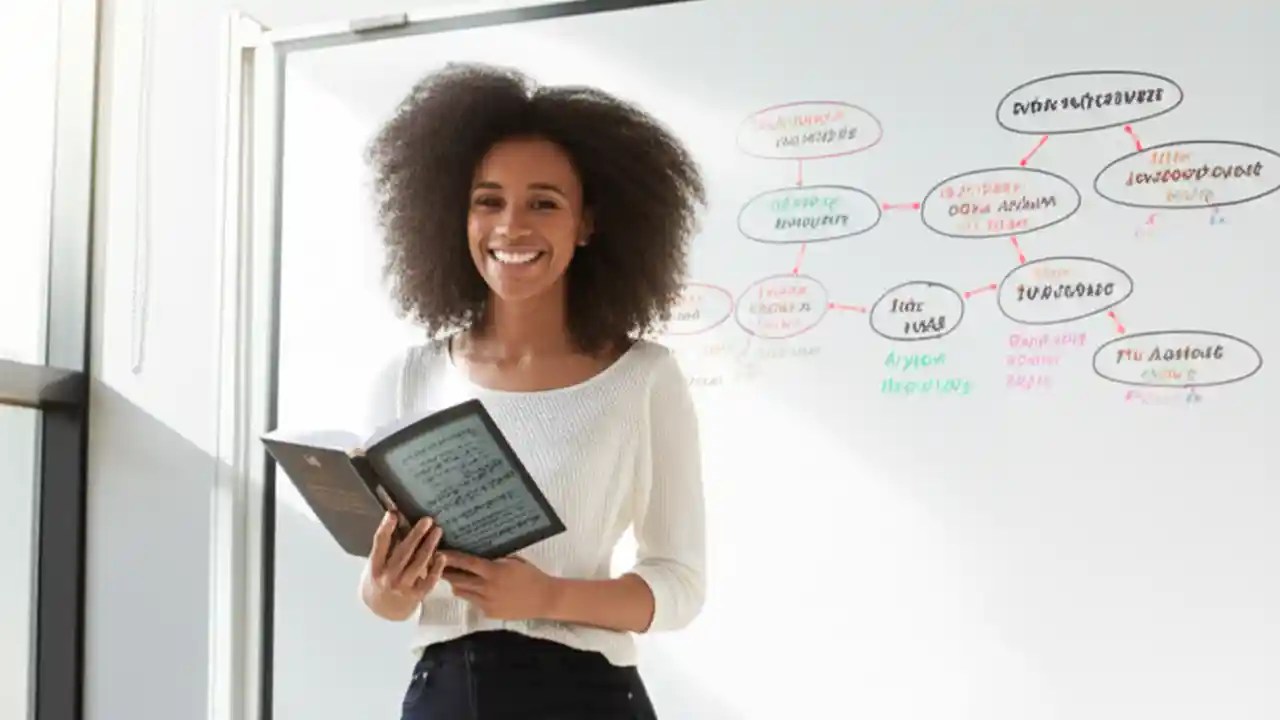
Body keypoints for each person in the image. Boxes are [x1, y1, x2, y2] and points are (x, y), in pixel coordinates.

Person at [355, 62, 708, 720]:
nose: (511, 227)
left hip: (588, 697)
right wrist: (389, 586)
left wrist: (546, 597)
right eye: (488, 201)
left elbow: (680, 585)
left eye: (543, 202)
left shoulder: (643, 378)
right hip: (444, 696)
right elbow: (387, 605)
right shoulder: (409, 378)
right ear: (453, 217)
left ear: (587, 223)